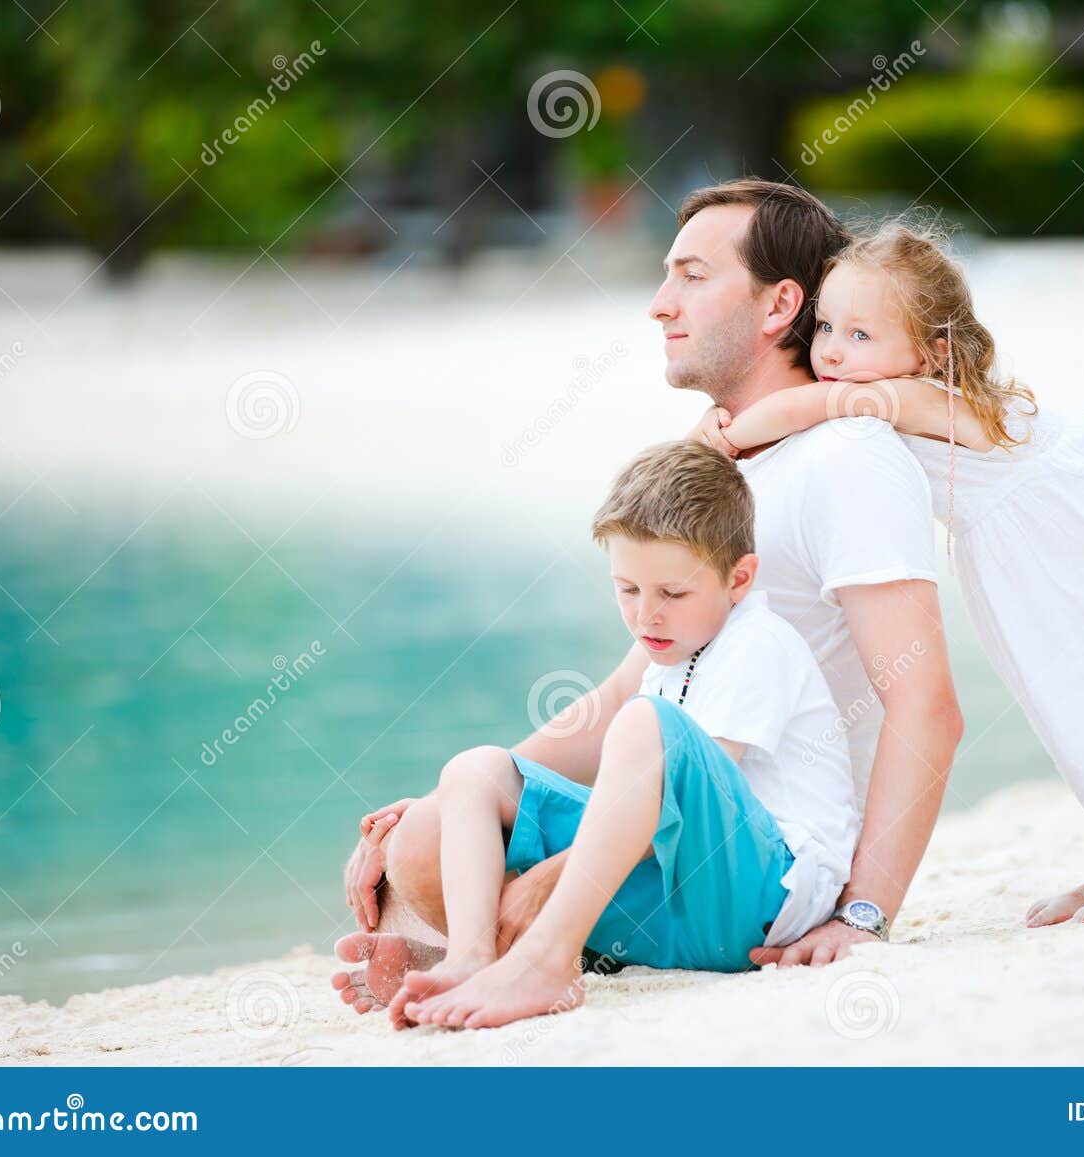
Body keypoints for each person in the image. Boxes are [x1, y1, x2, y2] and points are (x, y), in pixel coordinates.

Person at [335, 179, 964, 1012]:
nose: (660, 304)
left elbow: (926, 703)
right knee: (426, 836)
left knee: (621, 752)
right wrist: (461, 801)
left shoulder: (846, 459)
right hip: (662, 826)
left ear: (780, 305)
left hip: (759, 858)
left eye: (692, 277)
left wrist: (864, 912)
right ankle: (487, 950)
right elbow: (626, 692)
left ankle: (540, 950)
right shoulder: (717, 473)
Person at [695, 220, 1084, 924]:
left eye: (860, 335)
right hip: (1066, 547)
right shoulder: (887, 387)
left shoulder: (914, 395)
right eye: (826, 326)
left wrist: (721, 437)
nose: (831, 351)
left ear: (932, 351)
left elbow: (817, 404)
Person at [339, 441, 860, 1030]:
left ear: (738, 579)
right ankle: (468, 959)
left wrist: (547, 877)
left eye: (673, 593)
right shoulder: (671, 655)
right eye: (628, 589)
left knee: (643, 723)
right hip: (674, 910)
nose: (646, 616)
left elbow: (678, 798)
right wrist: (439, 811)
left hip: (758, 897)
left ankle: (543, 963)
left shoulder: (756, 644)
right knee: (473, 771)